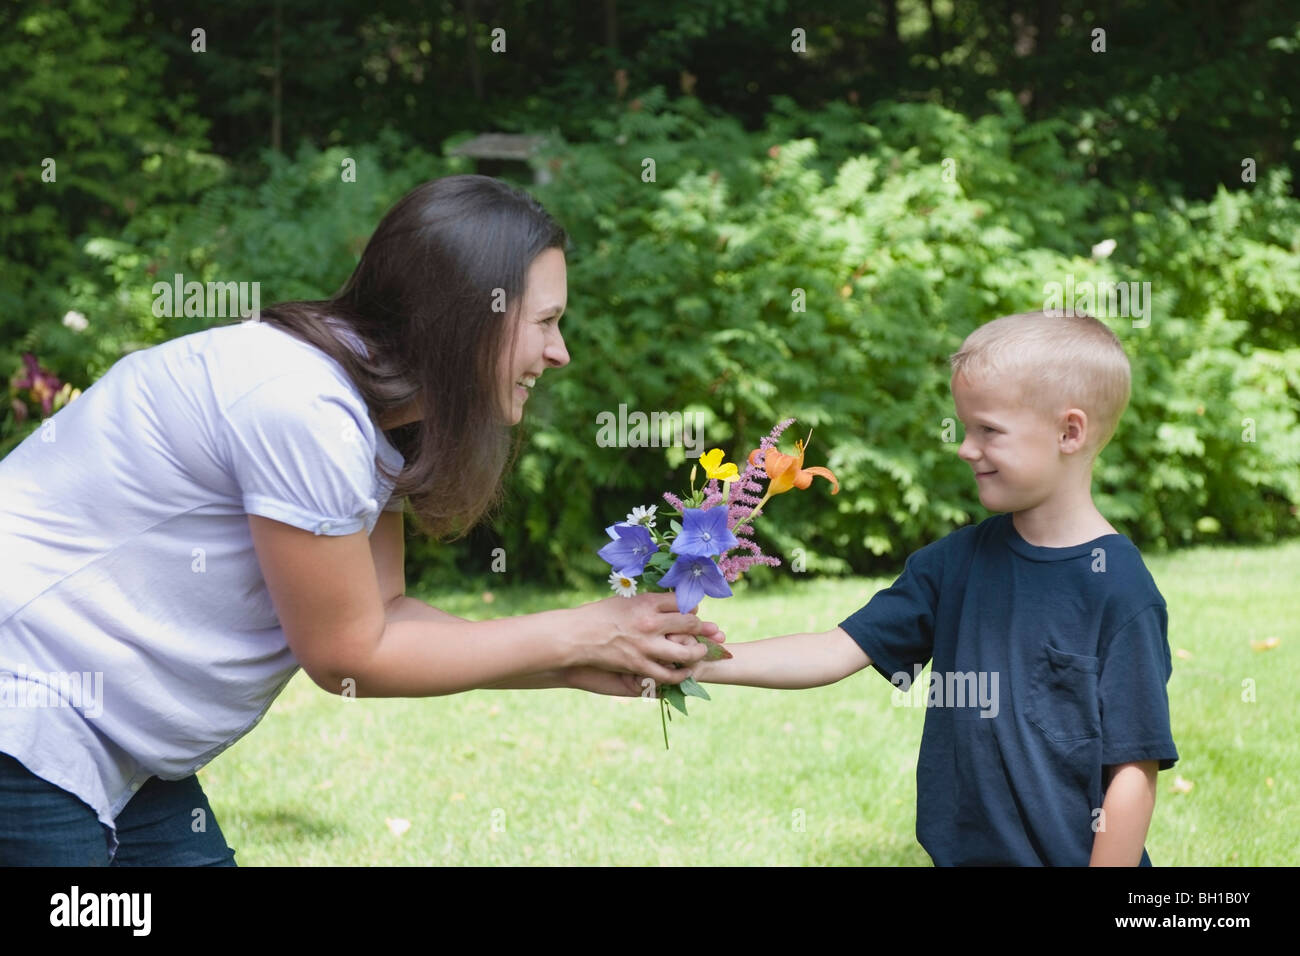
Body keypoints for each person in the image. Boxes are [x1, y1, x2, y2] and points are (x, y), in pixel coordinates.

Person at [0, 174, 720, 866]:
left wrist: (573, 661)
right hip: (28, 711)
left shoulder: (374, 415)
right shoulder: (302, 406)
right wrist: (580, 631)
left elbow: (386, 619)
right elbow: (346, 656)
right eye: (546, 323)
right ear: (468, 315)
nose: (560, 353)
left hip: (113, 749)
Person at [687, 311, 1179, 866]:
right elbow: (834, 649)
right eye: (965, 428)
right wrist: (702, 662)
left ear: (1069, 432)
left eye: (988, 430)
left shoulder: (1120, 588)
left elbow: (1134, 772)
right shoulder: (955, 563)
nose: (966, 448)